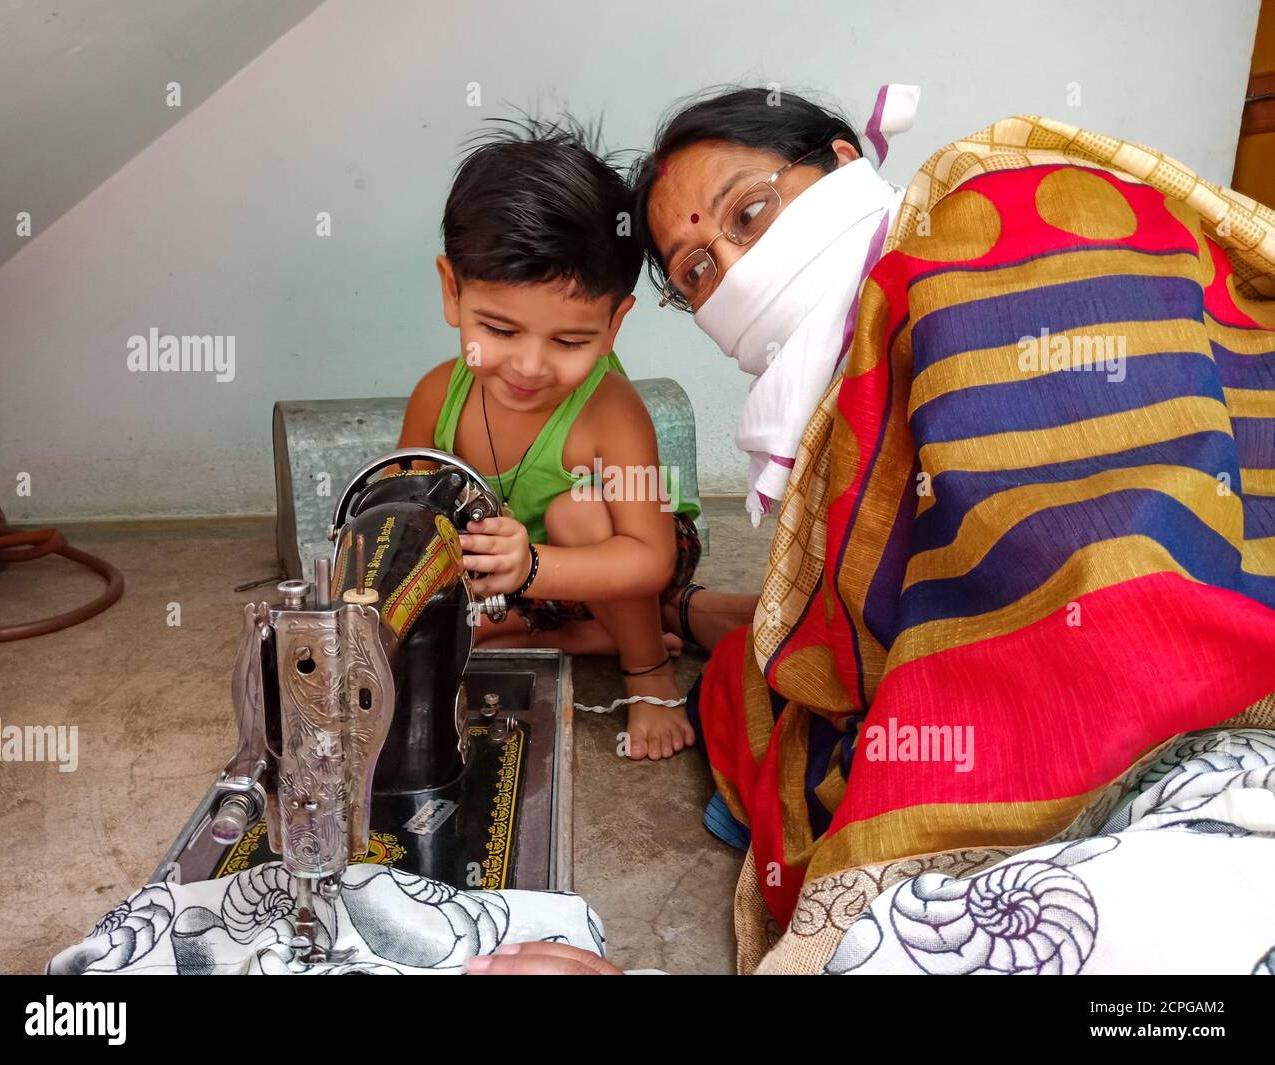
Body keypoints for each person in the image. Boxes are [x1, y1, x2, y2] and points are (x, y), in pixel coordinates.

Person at [630, 87, 1275, 972]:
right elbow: (869, 603)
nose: (735, 269)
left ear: (844, 162)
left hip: (1191, 644)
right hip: (944, 644)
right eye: (696, 272)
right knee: (751, 680)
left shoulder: (995, 224)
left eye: (749, 214)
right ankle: (698, 611)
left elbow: (1088, 531)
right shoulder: (820, 394)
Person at [394, 117, 705, 760]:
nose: (530, 367)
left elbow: (649, 558)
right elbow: (405, 515)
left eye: (569, 342)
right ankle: (584, 633)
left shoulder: (610, 411)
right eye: (500, 330)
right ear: (453, 291)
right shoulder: (435, 396)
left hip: (621, 554)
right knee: (448, 631)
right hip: (525, 578)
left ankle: (646, 665)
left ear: (615, 323)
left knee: (575, 509)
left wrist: (530, 565)